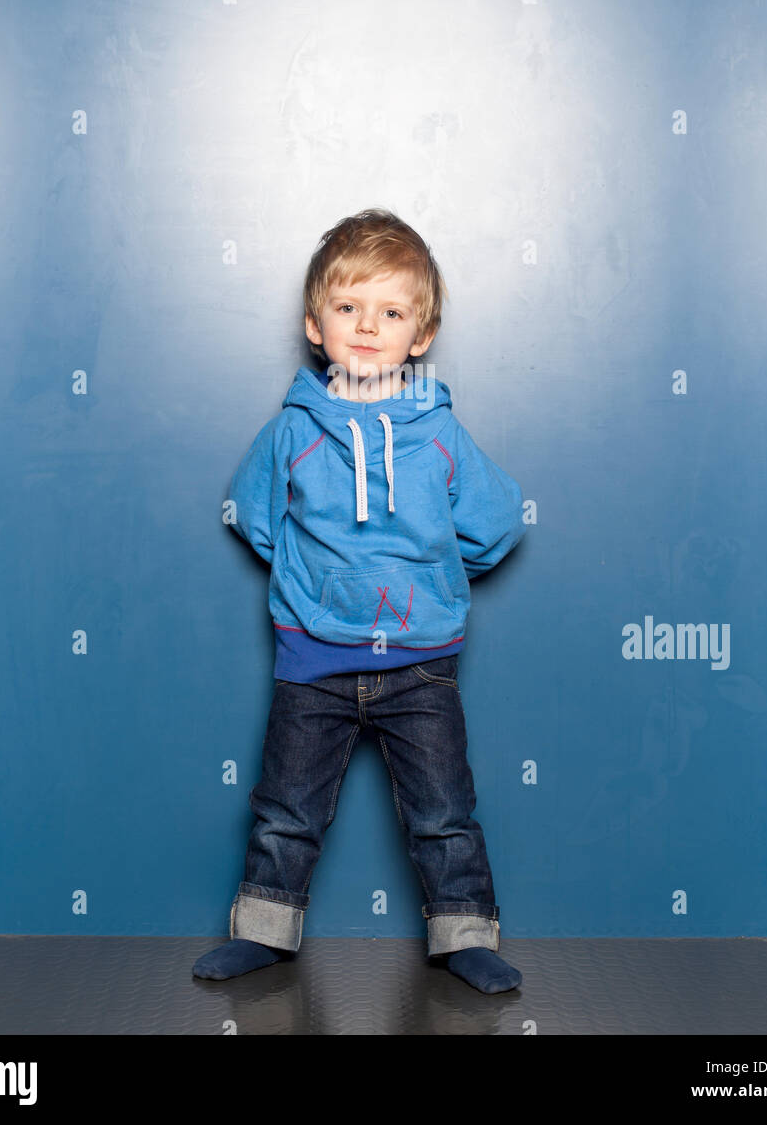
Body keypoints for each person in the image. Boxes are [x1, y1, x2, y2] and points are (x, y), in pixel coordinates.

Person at [193, 208, 526, 994]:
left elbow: (496, 525)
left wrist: (428, 585)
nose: (367, 327)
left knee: (444, 813)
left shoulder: (440, 435)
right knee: (284, 811)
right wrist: (320, 584)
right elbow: (254, 515)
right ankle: (266, 933)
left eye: (391, 312)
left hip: (422, 665)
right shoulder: (293, 431)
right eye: (348, 308)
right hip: (312, 657)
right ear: (316, 324)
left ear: (422, 333)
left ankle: (463, 936)